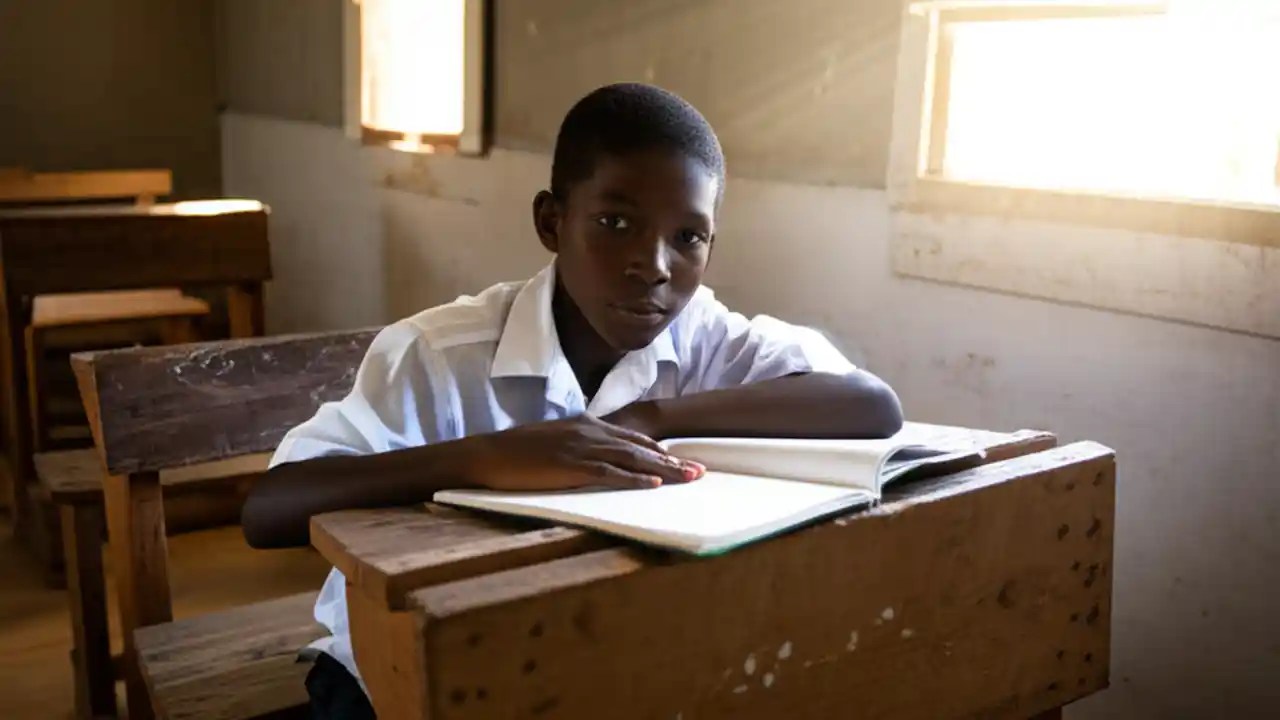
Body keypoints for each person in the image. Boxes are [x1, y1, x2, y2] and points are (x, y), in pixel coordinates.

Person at [242, 83, 903, 718]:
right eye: (615, 223)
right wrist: (486, 460)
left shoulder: (705, 334)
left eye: (687, 237)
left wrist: (651, 417)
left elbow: (870, 405)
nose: (654, 266)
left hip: (589, 658)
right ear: (551, 222)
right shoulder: (439, 354)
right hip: (389, 668)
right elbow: (269, 512)